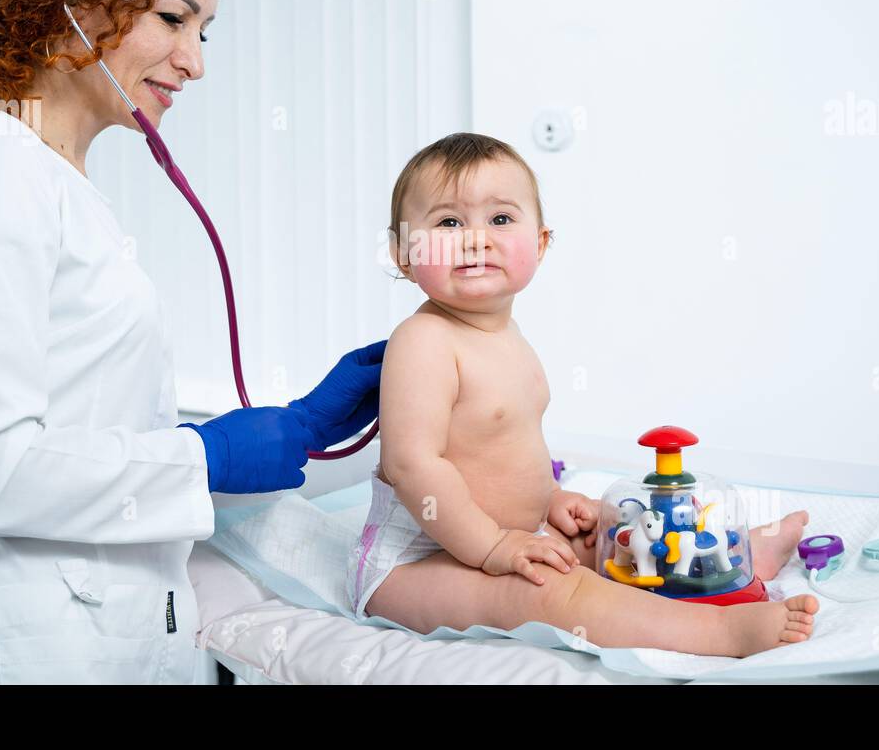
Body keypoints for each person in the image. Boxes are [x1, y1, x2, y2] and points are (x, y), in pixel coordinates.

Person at [0, 0, 382, 684]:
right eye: (174, 18)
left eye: (205, 30)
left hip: (109, 635)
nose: (194, 61)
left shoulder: (46, 177)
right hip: (11, 648)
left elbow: (90, 433)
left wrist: (301, 430)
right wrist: (201, 457)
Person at [345, 133, 819, 656]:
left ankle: (726, 562)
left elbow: (498, 451)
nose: (475, 238)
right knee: (550, 591)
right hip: (416, 561)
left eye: (500, 219)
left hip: (507, 534)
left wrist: (550, 502)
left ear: (541, 244)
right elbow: (414, 466)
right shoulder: (423, 341)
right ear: (402, 252)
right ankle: (720, 633)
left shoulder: (509, 338)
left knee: (613, 534)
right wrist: (495, 546)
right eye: (448, 222)